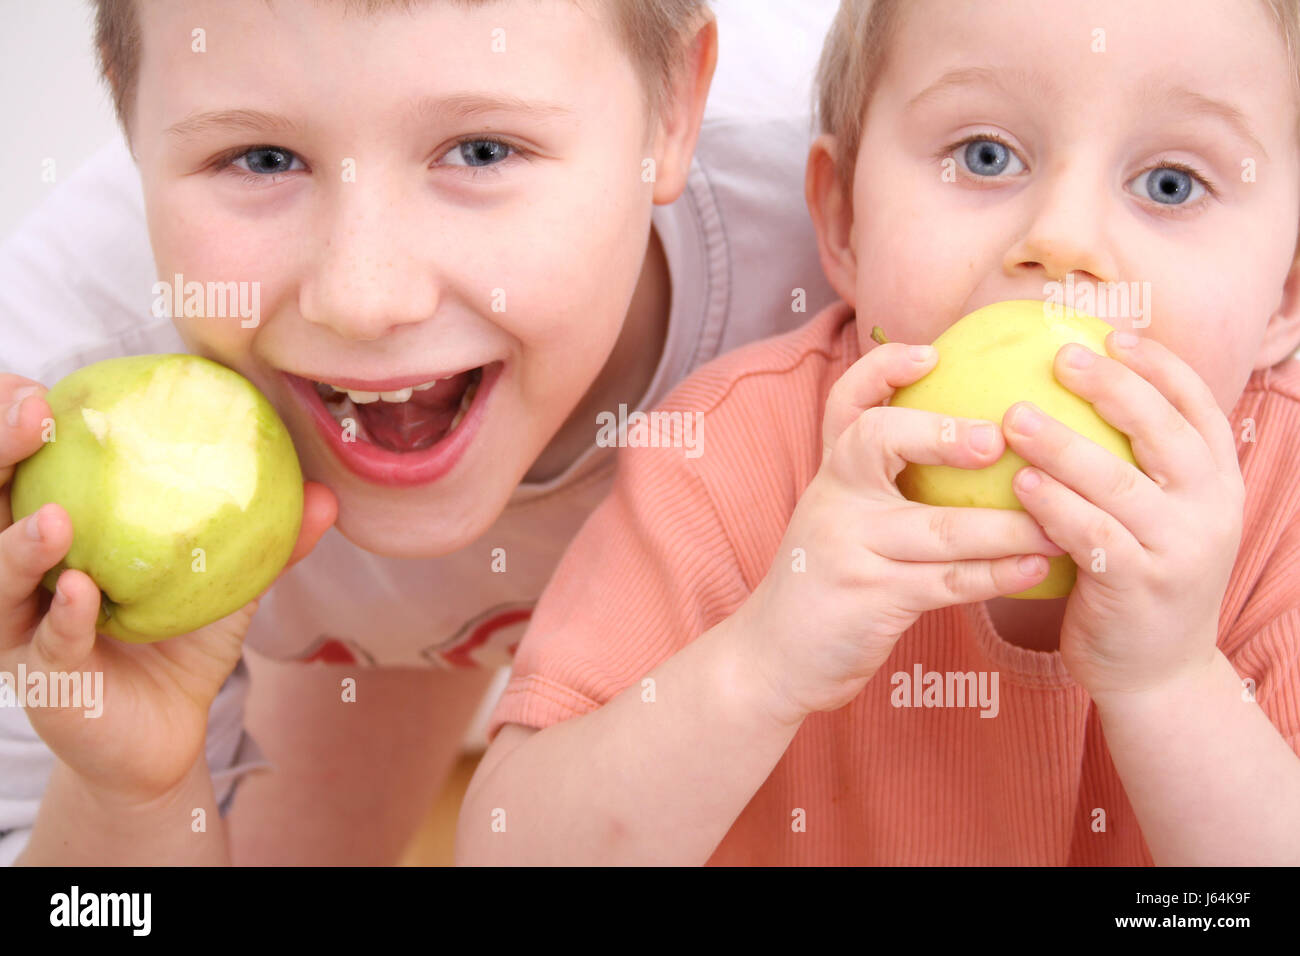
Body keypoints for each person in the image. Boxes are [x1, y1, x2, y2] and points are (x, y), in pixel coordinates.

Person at [461, 0, 1300, 865]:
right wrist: (762, 665)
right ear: (845, 222)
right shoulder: (723, 458)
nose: (1063, 241)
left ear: (1285, 291)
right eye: (986, 156)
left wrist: (1170, 683)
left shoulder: (1284, 507)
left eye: (1171, 183)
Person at [0, 0, 837, 864]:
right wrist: (128, 793)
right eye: (262, 160)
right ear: (127, 118)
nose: (366, 300)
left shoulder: (868, 214)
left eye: (482, 151)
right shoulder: (47, 402)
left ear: (670, 112)